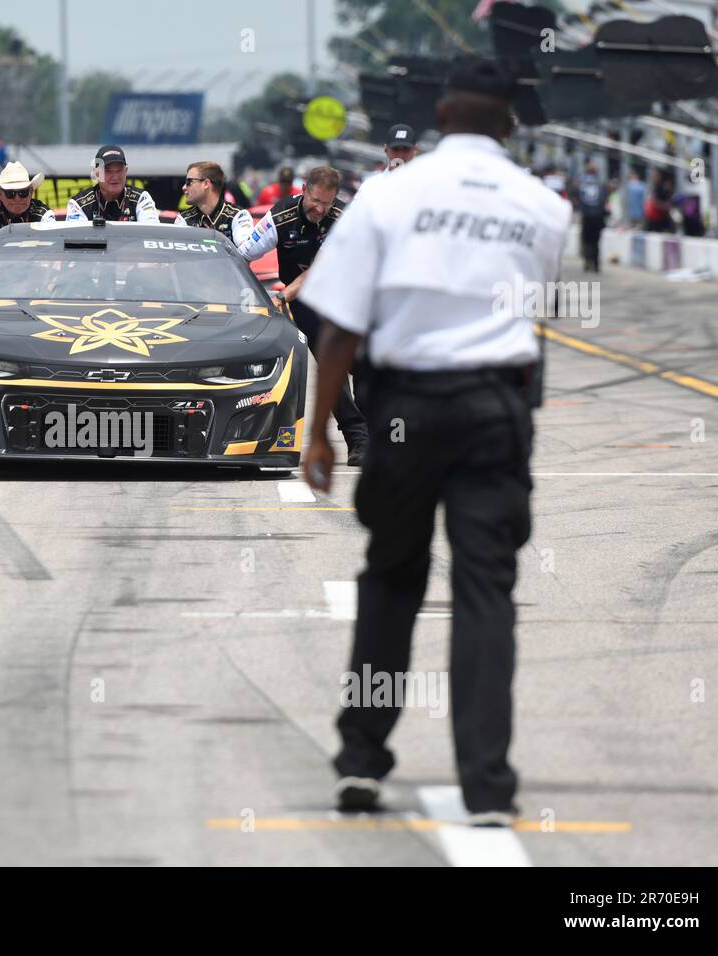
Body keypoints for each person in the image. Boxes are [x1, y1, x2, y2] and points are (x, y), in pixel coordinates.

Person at [298, 56, 571, 826]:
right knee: (487, 593)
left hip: (404, 408)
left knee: (391, 579)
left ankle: (361, 759)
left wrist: (320, 432)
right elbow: (531, 306)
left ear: (440, 115)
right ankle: (486, 785)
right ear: (510, 121)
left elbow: (340, 324)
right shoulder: (542, 206)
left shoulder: (387, 194)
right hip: (494, 408)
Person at [238, 165, 369, 463]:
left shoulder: (343, 219)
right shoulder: (280, 217)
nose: (320, 208)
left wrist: (282, 296)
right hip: (307, 302)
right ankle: (358, 437)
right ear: (304, 191)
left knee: (361, 364)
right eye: (315, 200)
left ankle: (371, 429)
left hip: (344, 295)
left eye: (327, 203)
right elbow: (243, 254)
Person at [0, 162, 54, 249]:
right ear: (0, 193)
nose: (17, 199)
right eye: (10, 193)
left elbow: (52, 246)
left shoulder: (44, 213)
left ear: (31, 192)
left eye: (23, 192)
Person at [66, 145, 158, 223]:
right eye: (108, 171)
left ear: (126, 171)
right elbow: (76, 241)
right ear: (97, 173)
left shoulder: (141, 199)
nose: (115, 177)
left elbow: (153, 234)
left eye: (119, 171)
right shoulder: (78, 204)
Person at [173, 161, 252, 245]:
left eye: (189, 182)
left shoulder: (238, 215)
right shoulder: (184, 219)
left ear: (206, 184)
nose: (184, 187)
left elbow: (245, 249)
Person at [575, 162, 607, 272]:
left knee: (586, 240)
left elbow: (578, 197)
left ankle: (587, 261)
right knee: (596, 241)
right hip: (598, 216)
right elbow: (604, 199)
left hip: (586, 215)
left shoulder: (582, 183)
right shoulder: (600, 183)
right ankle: (596, 263)